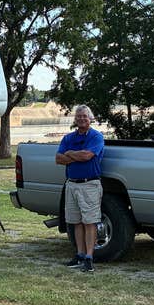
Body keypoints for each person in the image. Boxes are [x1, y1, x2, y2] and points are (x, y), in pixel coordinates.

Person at [56, 104, 104, 273]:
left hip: (89, 184)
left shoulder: (96, 137)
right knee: (76, 222)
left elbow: (87, 156)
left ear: (90, 118)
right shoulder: (68, 138)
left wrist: (69, 153)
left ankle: (89, 258)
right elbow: (58, 159)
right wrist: (76, 155)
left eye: (84, 116)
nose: (82, 119)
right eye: (79, 116)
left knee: (89, 222)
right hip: (71, 184)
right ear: (75, 119)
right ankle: (80, 255)